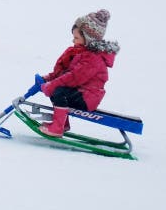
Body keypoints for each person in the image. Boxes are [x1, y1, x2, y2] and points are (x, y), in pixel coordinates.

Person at [25, 9, 119, 137]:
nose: (73, 41)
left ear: (88, 39)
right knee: (57, 90)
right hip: (81, 92)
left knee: (59, 92)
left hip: (88, 97)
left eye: (76, 38)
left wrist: (52, 85)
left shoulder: (93, 58)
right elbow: (65, 72)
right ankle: (62, 124)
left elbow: (74, 77)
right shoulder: (81, 53)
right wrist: (48, 78)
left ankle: (57, 128)